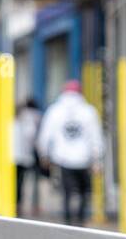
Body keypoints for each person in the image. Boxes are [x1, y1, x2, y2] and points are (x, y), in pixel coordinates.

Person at [36, 80, 104, 226]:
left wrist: (44, 155)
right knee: (84, 191)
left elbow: (45, 135)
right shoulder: (89, 111)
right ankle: (80, 220)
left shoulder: (55, 110)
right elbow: (96, 136)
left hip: (63, 158)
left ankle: (67, 220)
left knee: (66, 192)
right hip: (84, 159)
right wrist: (97, 159)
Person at [11, 98, 42, 217]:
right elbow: (32, 135)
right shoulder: (32, 118)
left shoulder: (11, 120)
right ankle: (33, 206)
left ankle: (18, 205)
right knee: (31, 182)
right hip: (26, 155)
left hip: (15, 156)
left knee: (18, 183)